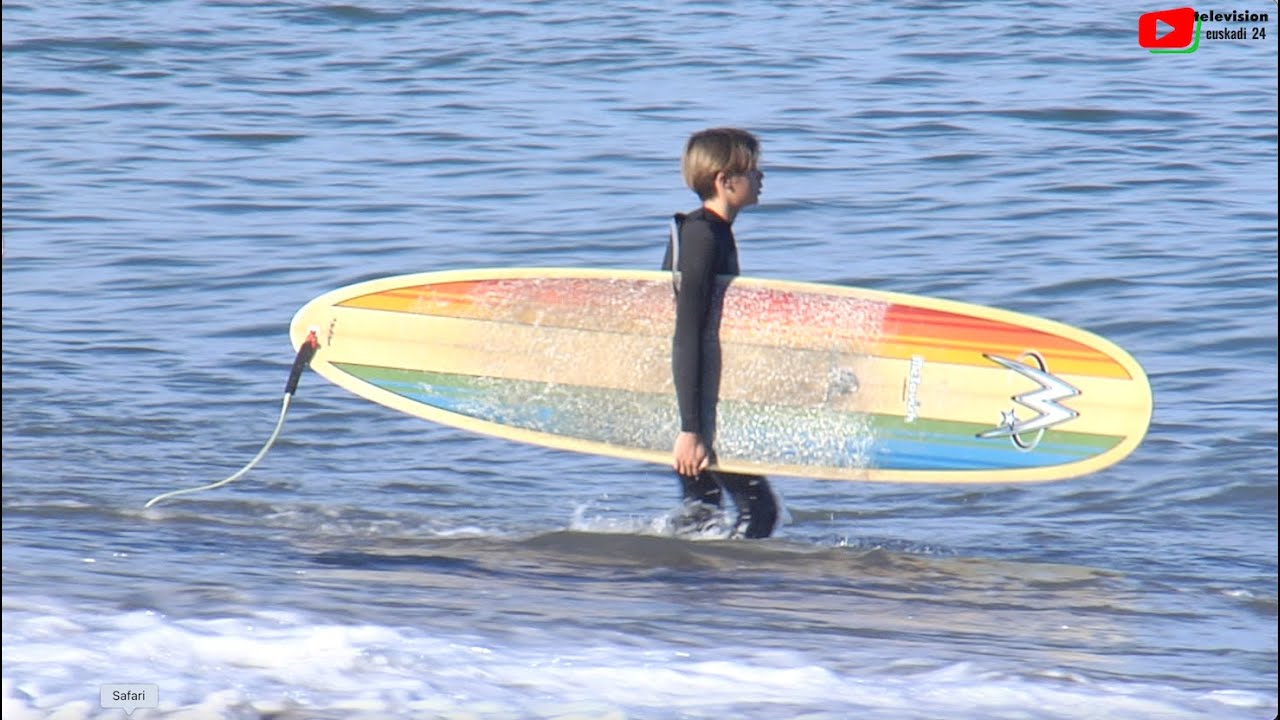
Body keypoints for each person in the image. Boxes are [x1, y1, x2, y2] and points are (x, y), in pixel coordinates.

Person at [661, 127, 779, 539]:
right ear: (724, 181)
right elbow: (686, 330)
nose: (762, 176)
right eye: (753, 169)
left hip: (693, 398)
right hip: (695, 407)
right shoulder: (702, 237)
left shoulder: (705, 232)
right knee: (759, 511)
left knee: (703, 509)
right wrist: (690, 429)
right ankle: (721, 592)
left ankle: (691, 590)